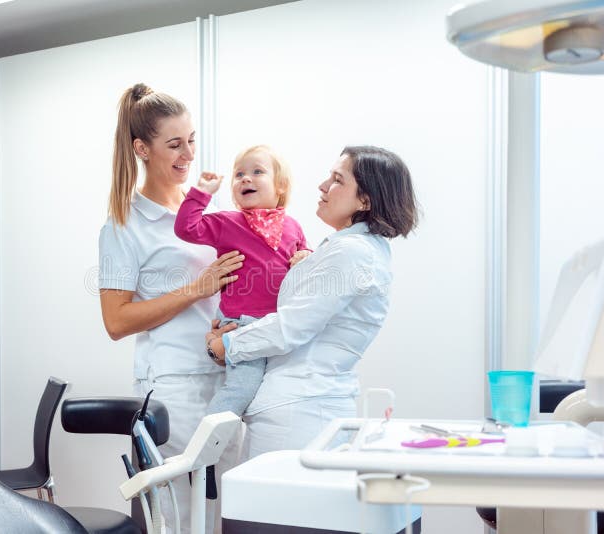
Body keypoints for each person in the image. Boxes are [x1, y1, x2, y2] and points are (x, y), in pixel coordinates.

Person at [205, 145, 419, 459]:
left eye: (337, 180)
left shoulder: (352, 252)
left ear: (365, 199)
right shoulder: (350, 248)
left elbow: (291, 326)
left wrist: (226, 345)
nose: (322, 186)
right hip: (298, 406)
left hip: (300, 412)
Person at [98, 83, 243, 534]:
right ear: (142, 148)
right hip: (172, 388)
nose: (188, 154)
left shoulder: (206, 210)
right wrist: (196, 289)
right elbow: (116, 321)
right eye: (175, 144)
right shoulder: (124, 225)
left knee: (224, 515)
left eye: (192, 140)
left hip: (226, 379)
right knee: (178, 519)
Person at [174, 145, 310, 418]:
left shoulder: (293, 226)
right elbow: (186, 228)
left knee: (274, 395)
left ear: (280, 185)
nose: (246, 178)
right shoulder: (228, 222)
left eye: (257, 172)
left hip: (279, 324)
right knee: (241, 390)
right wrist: (202, 193)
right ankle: (208, 441)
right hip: (241, 324)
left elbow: (305, 259)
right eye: (239, 175)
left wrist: (306, 255)